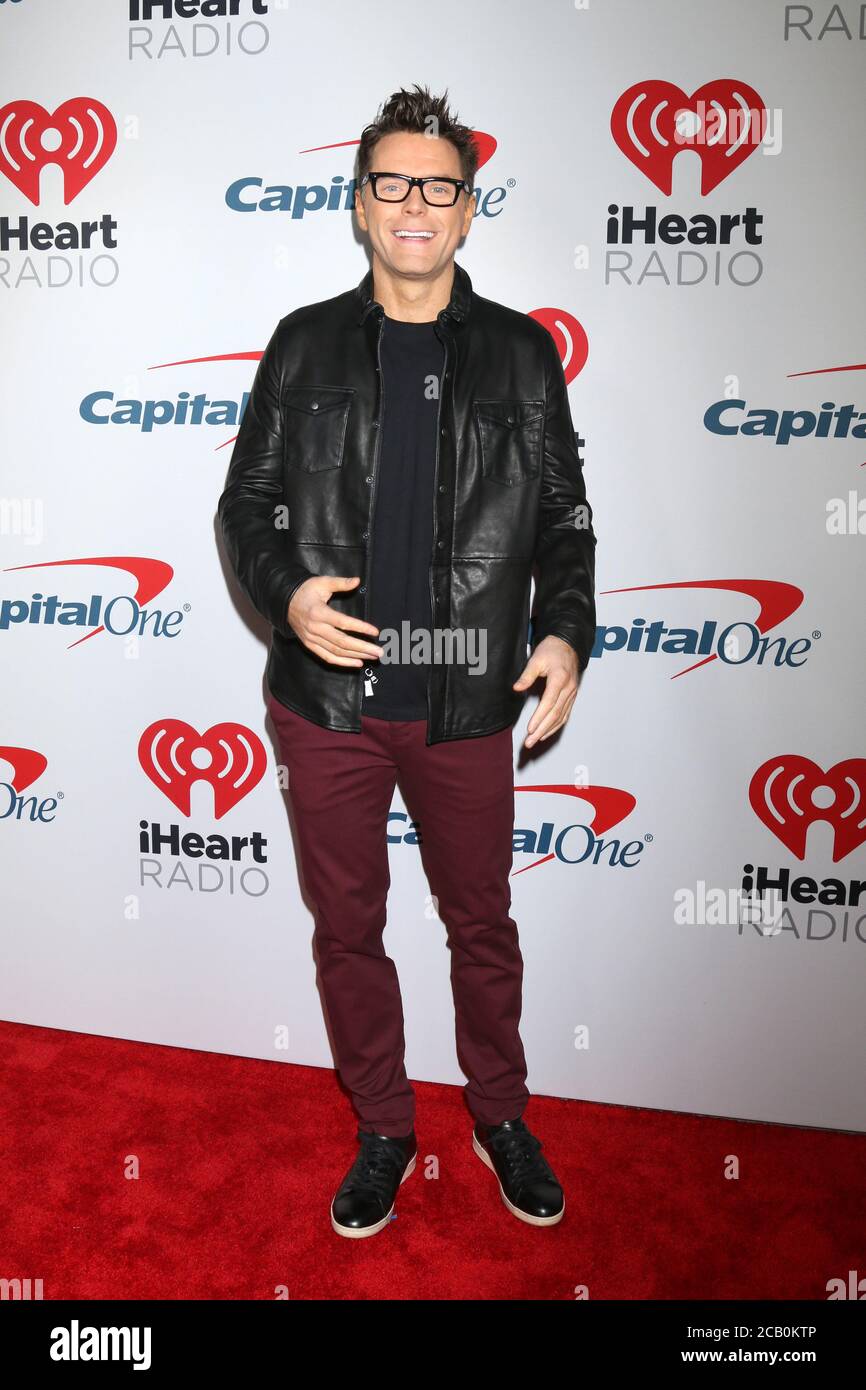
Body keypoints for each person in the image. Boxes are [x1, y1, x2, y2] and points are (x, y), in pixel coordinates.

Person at [218, 84, 596, 1239]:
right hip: (327, 703)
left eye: (438, 184)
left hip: (469, 691)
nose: (414, 204)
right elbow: (248, 505)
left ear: (469, 209)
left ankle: (499, 1113)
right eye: (392, 183)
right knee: (347, 927)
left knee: (479, 923)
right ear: (359, 205)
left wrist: (566, 630)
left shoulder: (525, 355)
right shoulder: (303, 341)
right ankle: (383, 1125)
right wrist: (285, 596)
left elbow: (565, 520)